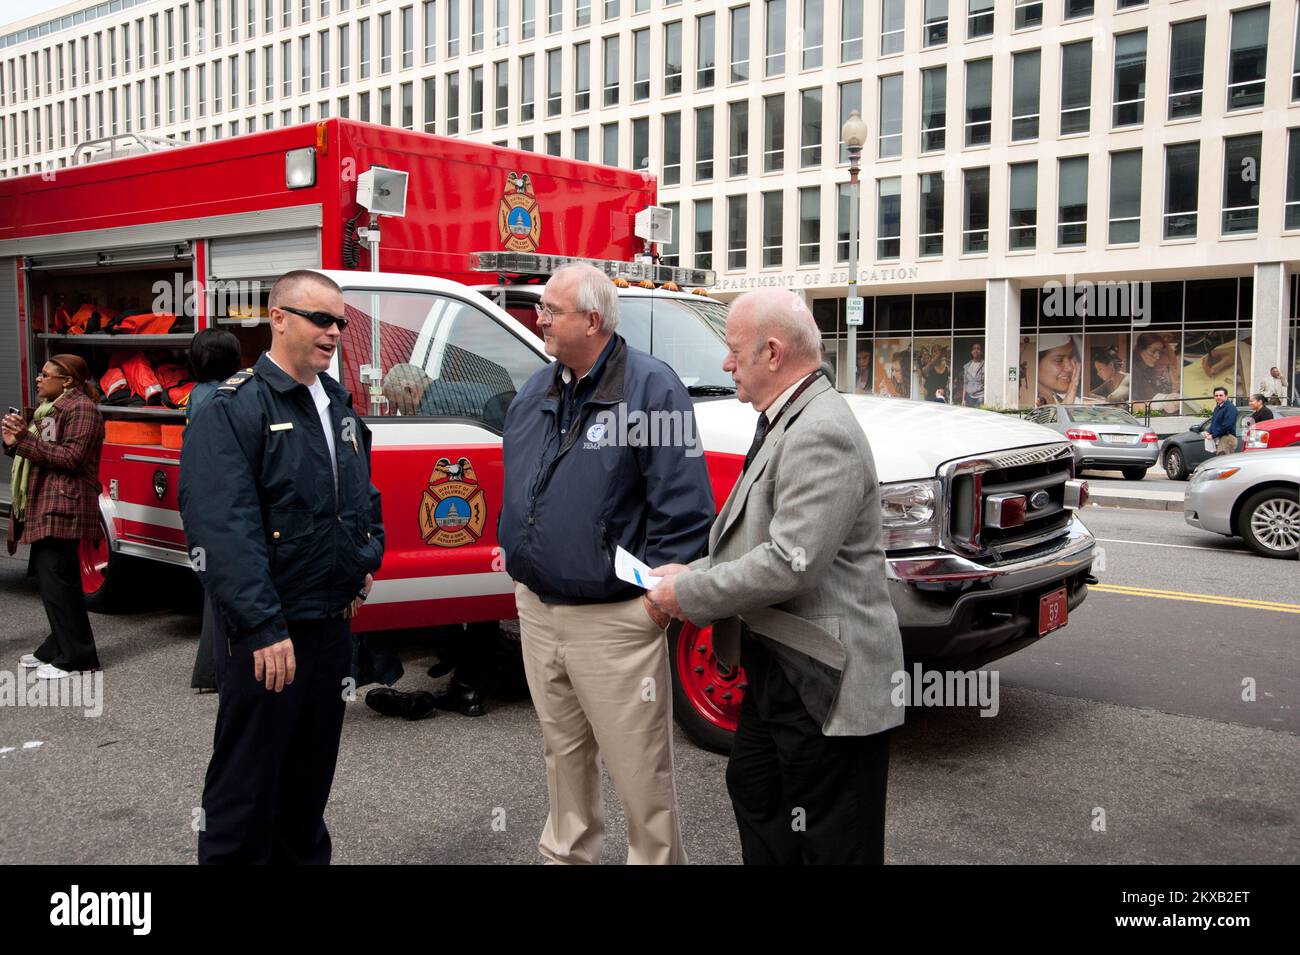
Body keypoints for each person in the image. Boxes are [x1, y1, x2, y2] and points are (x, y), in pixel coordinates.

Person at [647, 289, 904, 865]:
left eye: (734, 350)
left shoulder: (820, 430)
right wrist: (688, 571)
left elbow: (790, 561)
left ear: (772, 352)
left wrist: (686, 593)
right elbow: (753, 540)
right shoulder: (789, 417)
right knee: (757, 788)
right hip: (784, 664)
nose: (725, 363)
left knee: (833, 836)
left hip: (825, 676)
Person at [499, 262, 714, 865]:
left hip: (616, 619)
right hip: (538, 609)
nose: (538, 318)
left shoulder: (651, 389)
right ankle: (568, 855)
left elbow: (684, 506)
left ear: (591, 320)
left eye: (550, 309)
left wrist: (654, 600)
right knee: (561, 754)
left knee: (639, 769)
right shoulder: (537, 388)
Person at [179, 269, 385, 864]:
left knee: (307, 784)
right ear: (279, 319)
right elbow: (223, 527)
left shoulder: (337, 403)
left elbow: (359, 496)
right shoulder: (233, 407)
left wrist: (362, 560)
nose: (335, 332)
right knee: (245, 790)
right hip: (270, 635)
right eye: (321, 319)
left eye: (341, 322)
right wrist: (263, 626)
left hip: (329, 626)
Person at [3, 355, 105, 680]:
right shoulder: (51, 409)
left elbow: (70, 458)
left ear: (68, 381)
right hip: (46, 502)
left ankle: (78, 658)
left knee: (58, 580)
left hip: (65, 505)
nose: (37, 379)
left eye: (45, 374)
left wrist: (24, 440)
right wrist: (14, 443)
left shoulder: (82, 410)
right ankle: (57, 646)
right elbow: (43, 450)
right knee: (52, 582)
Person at [185, 329, 244, 693]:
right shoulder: (226, 397)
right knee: (230, 588)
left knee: (217, 587)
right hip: (224, 504)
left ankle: (212, 671)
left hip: (203, 504)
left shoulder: (197, 395)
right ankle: (218, 671)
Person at [1036, 335, 1081, 405]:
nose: (1070, 368)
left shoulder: (1074, 399)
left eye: (1070, 357)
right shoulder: (1024, 402)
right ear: (1036, 363)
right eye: (1059, 360)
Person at [1207, 386, 1239, 456]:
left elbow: (1227, 425)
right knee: (1221, 460)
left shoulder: (1230, 408)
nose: (1218, 397)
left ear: (1226, 396)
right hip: (1221, 437)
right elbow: (1214, 422)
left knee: (1223, 461)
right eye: (1216, 395)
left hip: (1227, 437)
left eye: (1221, 395)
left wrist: (1213, 435)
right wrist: (1209, 432)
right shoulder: (1217, 408)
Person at [960, 342, 985, 407]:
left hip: (981, 396)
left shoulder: (985, 364)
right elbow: (965, 383)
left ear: (981, 352)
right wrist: (963, 399)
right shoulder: (967, 366)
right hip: (969, 397)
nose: (976, 351)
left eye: (978, 349)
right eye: (974, 349)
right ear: (971, 352)